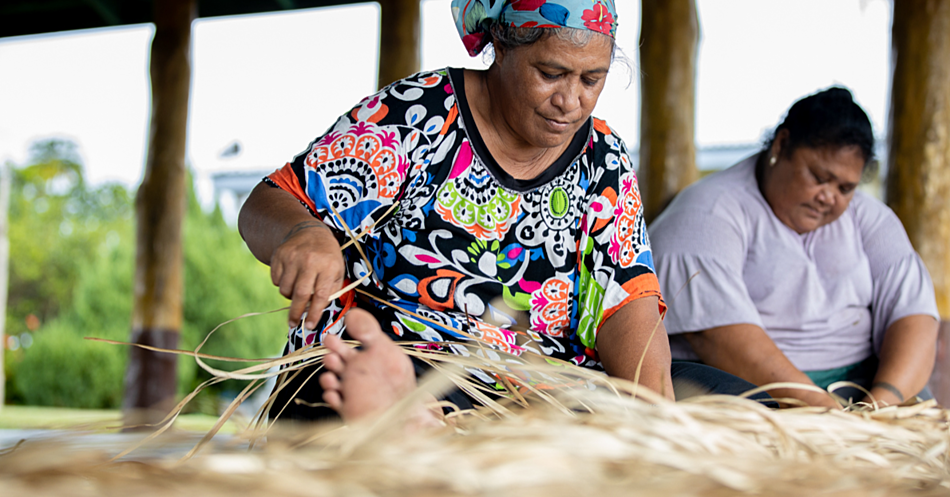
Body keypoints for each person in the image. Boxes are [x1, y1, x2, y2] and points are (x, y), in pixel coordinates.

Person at [239, 0, 766, 423]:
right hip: (410, 353)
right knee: (360, 389)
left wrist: (655, 411)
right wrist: (303, 231)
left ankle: (434, 433)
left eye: (591, 79)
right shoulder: (419, 113)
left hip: (545, 382)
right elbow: (270, 201)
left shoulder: (602, 156)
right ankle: (402, 416)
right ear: (500, 48)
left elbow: (624, 292)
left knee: (741, 407)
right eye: (551, 73)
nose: (571, 101)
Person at [649, 87, 940, 408]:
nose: (829, 196)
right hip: (748, 383)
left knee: (920, 409)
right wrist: (826, 413)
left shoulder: (870, 219)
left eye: (845, 188)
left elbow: (915, 316)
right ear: (781, 144)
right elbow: (717, 336)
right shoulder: (707, 212)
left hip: (859, 386)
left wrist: (881, 406)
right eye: (819, 177)